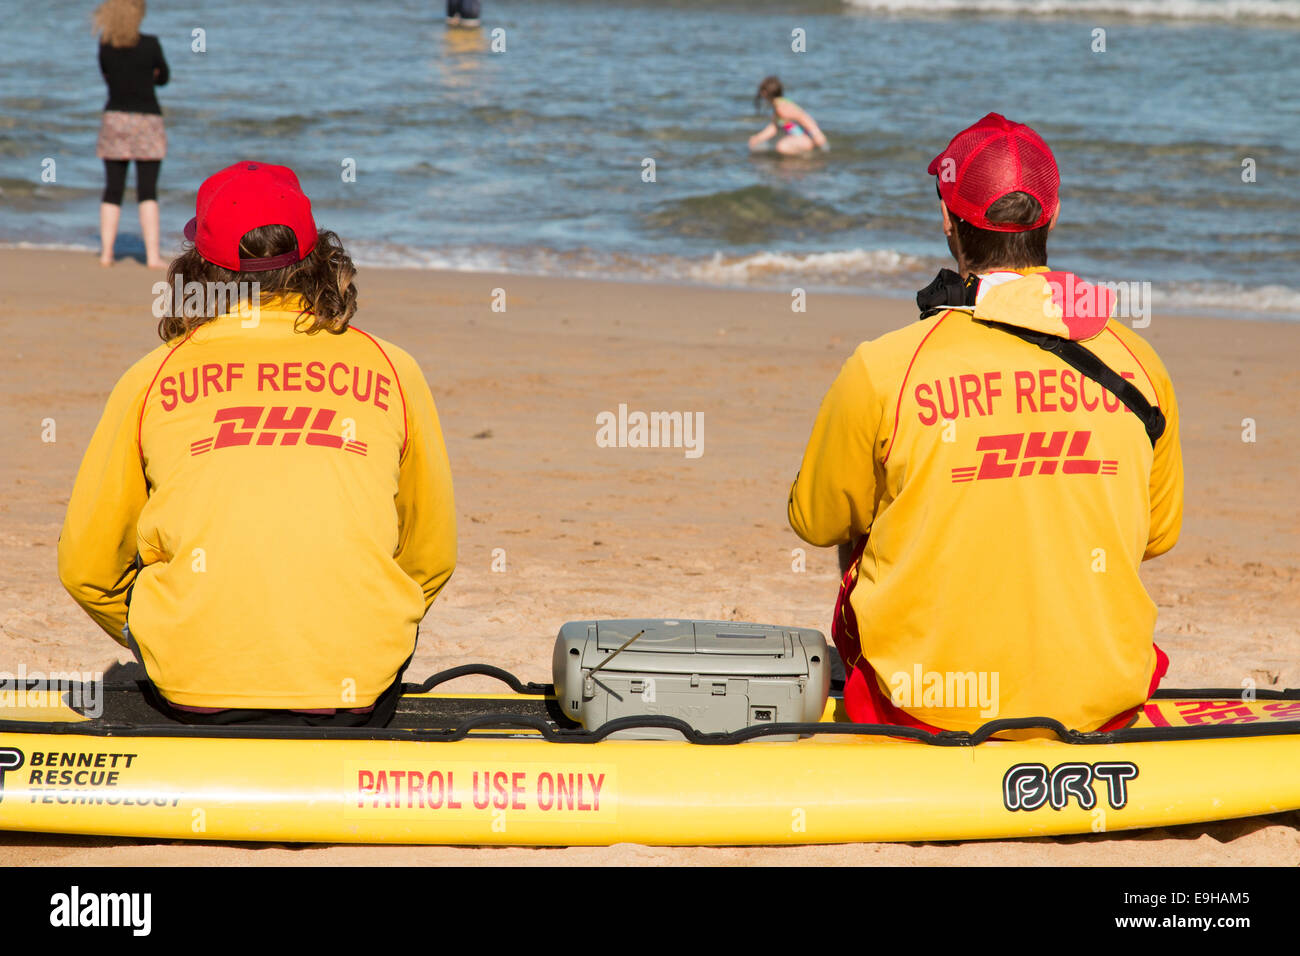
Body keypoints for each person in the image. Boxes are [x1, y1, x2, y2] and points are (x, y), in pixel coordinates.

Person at [788, 113, 1183, 734]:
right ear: (1052, 215)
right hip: (1103, 703)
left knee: (872, 509)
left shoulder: (885, 365)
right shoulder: (1138, 361)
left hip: (924, 707)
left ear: (948, 218)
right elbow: (1156, 537)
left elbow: (816, 521)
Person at [58, 161, 458, 727]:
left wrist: (165, 636)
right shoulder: (395, 369)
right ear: (321, 257)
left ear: (198, 268)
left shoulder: (150, 378)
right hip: (352, 685)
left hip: (194, 685)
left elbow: (86, 567)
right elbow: (431, 556)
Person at [93, 0, 170, 268]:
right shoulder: (150, 44)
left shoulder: (105, 45)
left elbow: (107, 76)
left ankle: (106, 254)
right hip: (147, 119)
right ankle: (152, 256)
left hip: (115, 118)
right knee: (147, 190)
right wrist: (151, 76)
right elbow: (164, 78)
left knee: (112, 189)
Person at [748, 76, 827, 156]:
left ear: (764, 93)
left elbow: (803, 117)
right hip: (802, 138)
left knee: (782, 146)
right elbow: (773, 128)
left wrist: (817, 135)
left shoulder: (782, 107)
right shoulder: (779, 105)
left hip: (805, 139)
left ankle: (807, 158)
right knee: (778, 146)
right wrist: (757, 138)